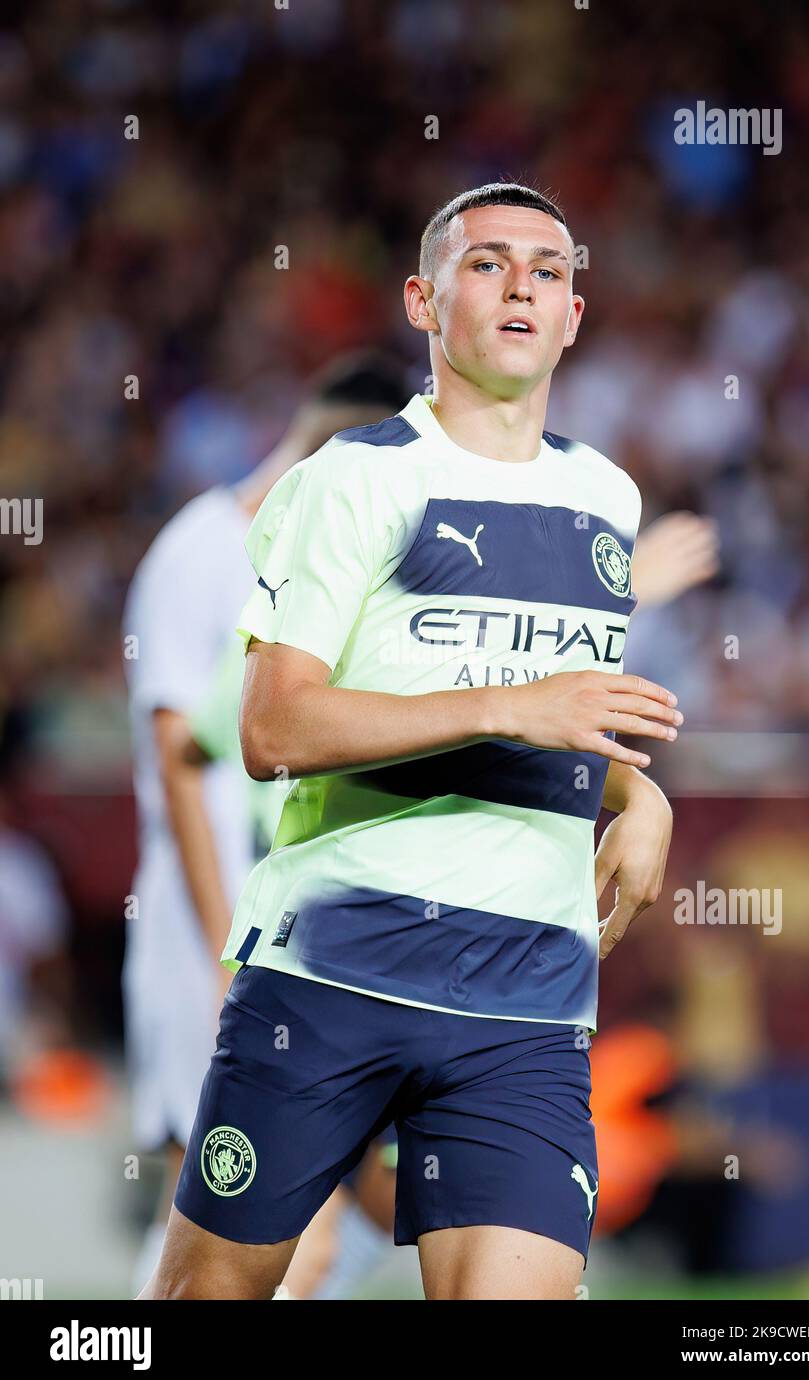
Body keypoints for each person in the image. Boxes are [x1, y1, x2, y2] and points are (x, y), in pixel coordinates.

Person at [142, 181, 682, 1301]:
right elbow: (271, 725)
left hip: (524, 999)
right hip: (331, 976)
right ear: (421, 303)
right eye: (485, 263)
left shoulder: (607, 499)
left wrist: (640, 800)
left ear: (574, 315)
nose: (522, 284)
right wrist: (513, 704)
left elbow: (557, 728)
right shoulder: (349, 479)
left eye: (548, 268)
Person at [122, 354, 409, 1292]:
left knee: (307, 1209)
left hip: (286, 924)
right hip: (201, 920)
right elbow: (180, 758)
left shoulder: (308, 563)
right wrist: (219, 951)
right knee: (209, 1197)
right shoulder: (202, 552)